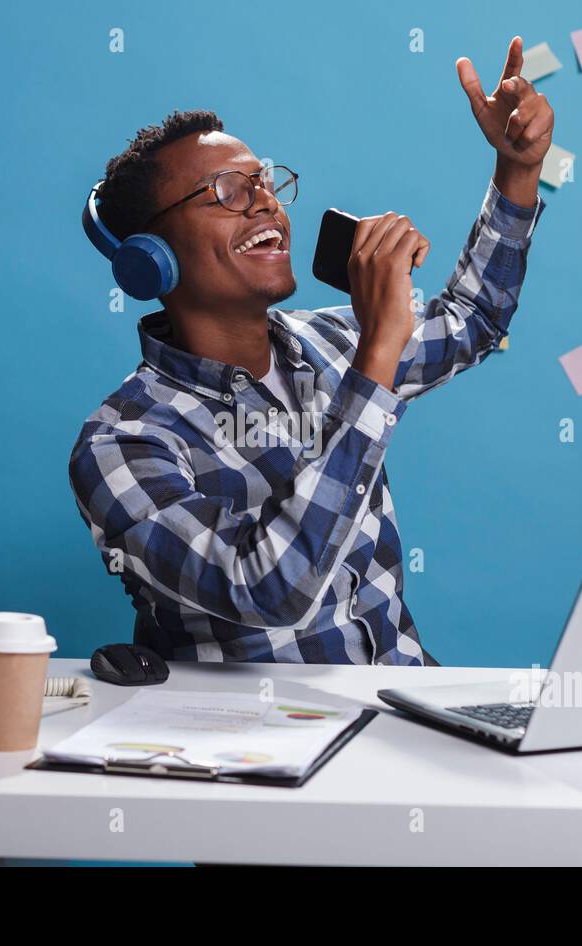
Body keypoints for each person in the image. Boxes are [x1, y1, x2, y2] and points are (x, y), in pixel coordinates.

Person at [70, 38, 553, 664]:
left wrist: (516, 171)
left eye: (265, 182)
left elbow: (475, 318)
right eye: (227, 191)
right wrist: (377, 358)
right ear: (149, 259)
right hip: (265, 741)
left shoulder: (336, 342)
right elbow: (265, 586)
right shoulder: (122, 442)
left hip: (405, 707)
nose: (266, 201)